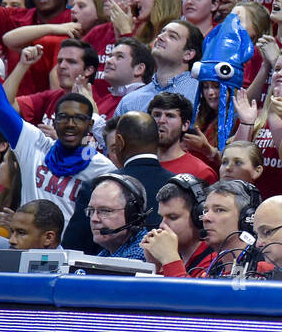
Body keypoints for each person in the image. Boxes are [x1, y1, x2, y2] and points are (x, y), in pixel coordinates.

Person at [0, 17, 117, 224]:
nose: (71, 124)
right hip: (28, 250)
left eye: (79, 119)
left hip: (71, 254)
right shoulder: (35, 144)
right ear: (54, 122)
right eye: (63, 118)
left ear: (90, 126)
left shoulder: (102, 167)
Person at [63, 111, 172, 252]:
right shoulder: (179, 188)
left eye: (105, 210)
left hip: (103, 273)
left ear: (120, 142)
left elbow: (74, 250)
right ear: (157, 141)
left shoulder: (96, 187)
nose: (95, 218)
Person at [113, 19, 203, 116]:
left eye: (172, 36)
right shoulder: (129, 101)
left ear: (188, 54)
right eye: (161, 32)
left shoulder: (201, 92)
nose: (160, 37)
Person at [143, 175, 215, 277]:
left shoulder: (216, 262)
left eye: (173, 217)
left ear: (199, 217)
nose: (162, 225)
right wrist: (155, 266)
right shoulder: (180, 260)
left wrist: (169, 259)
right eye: (162, 217)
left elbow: (186, 292)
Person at [85, 173, 149, 260]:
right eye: (91, 210)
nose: (94, 219)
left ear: (132, 215)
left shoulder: (140, 255)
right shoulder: (105, 254)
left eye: (105, 211)